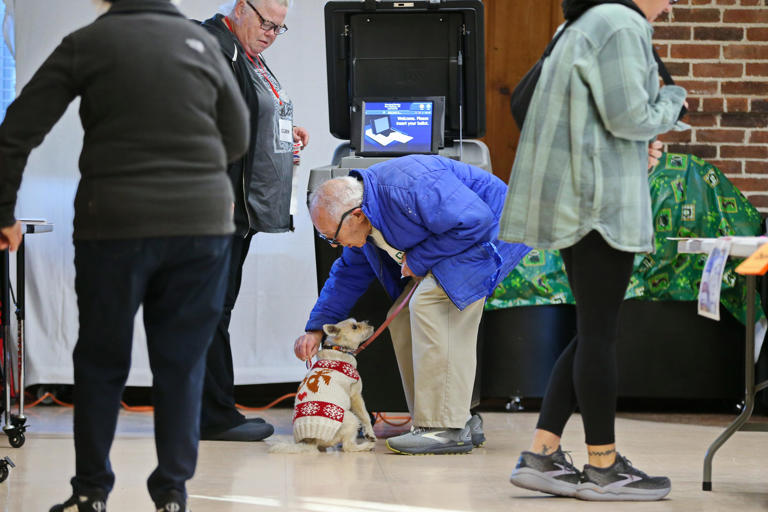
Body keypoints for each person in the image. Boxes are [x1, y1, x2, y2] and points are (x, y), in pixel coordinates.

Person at [0, 0, 250, 510]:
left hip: (113, 220)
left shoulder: (88, 43)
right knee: (181, 362)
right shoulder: (202, 43)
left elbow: (17, 131)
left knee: (100, 359)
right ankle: (173, 495)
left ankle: (92, 491)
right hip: (200, 225)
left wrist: (3, 213)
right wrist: (193, 176)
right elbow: (240, 134)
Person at [499, 0, 687, 501]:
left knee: (592, 331)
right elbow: (631, 117)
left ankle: (542, 452)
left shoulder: (578, 23)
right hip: (599, 205)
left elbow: (589, 118)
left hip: (574, 199)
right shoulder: (621, 22)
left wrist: (631, 147)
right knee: (600, 336)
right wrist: (673, 100)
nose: (672, 3)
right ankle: (603, 466)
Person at [294, 154, 531, 455]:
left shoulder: (409, 186)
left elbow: (475, 220)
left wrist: (417, 260)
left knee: (432, 302)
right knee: (402, 311)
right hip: (463, 236)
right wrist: (316, 329)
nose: (334, 245)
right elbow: (346, 276)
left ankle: (444, 428)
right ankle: (439, 420)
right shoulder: (364, 221)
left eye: (332, 237)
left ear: (355, 216)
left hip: (496, 228)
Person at [198, 0, 309, 442]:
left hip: (239, 214)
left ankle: (213, 410)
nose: (270, 33)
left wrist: (282, 134)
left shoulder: (246, 54)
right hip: (216, 210)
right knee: (209, 310)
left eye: (278, 28)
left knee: (216, 309)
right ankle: (213, 416)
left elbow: (246, 116)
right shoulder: (213, 44)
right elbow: (201, 122)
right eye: (265, 22)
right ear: (240, 7)